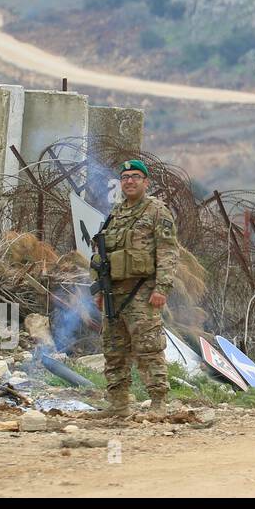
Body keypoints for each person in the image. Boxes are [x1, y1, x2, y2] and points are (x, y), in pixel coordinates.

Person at [91, 159, 179, 419]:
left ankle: (159, 403)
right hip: (113, 293)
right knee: (114, 349)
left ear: (145, 182)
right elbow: (101, 256)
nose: (129, 181)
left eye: (135, 176)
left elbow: (168, 252)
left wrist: (162, 287)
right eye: (125, 176)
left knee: (148, 347)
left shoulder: (156, 211)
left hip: (142, 291)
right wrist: (98, 290)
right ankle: (118, 405)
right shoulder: (115, 214)